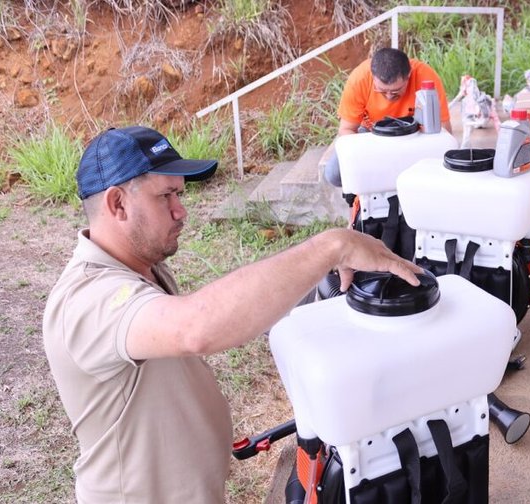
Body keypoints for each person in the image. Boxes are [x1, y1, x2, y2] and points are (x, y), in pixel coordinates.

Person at [42, 125, 422, 503]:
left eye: (180, 194)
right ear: (117, 204)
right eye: (166, 196)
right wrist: (331, 247)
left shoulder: (139, 266)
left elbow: (229, 308)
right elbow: (196, 327)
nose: (181, 211)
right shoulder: (88, 299)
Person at [324, 47, 452, 187]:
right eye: (382, 91)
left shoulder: (426, 78)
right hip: (370, 134)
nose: (390, 96)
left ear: (408, 75)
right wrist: (367, 156)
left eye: (396, 90)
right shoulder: (360, 79)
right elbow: (346, 130)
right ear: (373, 77)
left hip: (413, 135)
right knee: (333, 173)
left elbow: (444, 132)